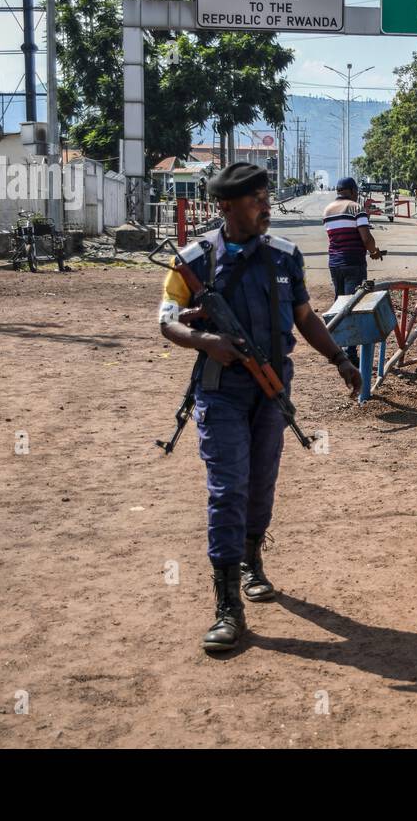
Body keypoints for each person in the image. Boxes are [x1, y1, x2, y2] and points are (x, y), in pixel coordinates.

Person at [159, 162, 363, 653]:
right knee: (228, 487)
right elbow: (167, 322)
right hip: (220, 389)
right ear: (226, 207)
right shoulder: (193, 260)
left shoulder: (285, 256)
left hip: (272, 389)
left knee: (261, 484)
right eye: (256, 202)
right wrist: (206, 341)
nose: (266, 208)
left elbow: (305, 317)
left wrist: (339, 359)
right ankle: (228, 605)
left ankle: (251, 559)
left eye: (266, 199)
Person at [321, 176, 383, 369]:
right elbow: (366, 237)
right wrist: (374, 252)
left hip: (335, 263)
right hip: (354, 263)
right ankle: (350, 354)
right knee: (353, 306)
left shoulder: (327, 210)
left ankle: (337, 349)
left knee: (339, 304)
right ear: (353, 191)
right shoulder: (356, 208)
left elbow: (335, 238)